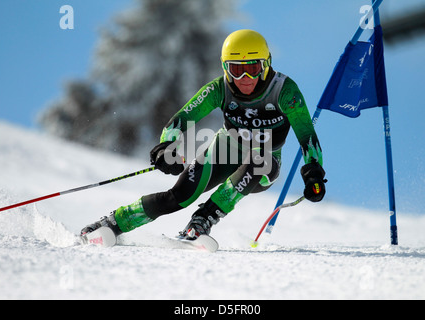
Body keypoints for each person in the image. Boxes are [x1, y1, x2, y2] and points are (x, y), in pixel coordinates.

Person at [80, 29, 326, 241]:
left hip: (263, 167)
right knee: (178, 197)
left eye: (253, 68)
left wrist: (313, 171)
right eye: (236, 70)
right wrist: (167, 145)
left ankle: (202, 221)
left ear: (266, 64)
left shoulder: (285, 91)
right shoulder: (218, 89)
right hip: (222, 154)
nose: (245, 78)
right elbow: (181, 118)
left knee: (260, 162)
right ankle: (112, 224)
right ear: (225, 68)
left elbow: (307, 136)